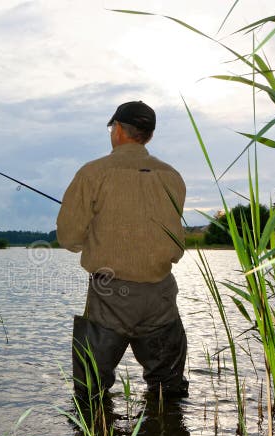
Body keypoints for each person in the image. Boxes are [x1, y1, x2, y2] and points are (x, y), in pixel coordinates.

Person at [56, 100, 188, 401]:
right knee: (168, 389)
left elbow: (68, 237)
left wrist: (87, 239)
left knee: (90, 391)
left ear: (117, 130)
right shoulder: (172, 176)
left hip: (110, 296)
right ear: (149, 135)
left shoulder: (92, 173)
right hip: (162, 295)